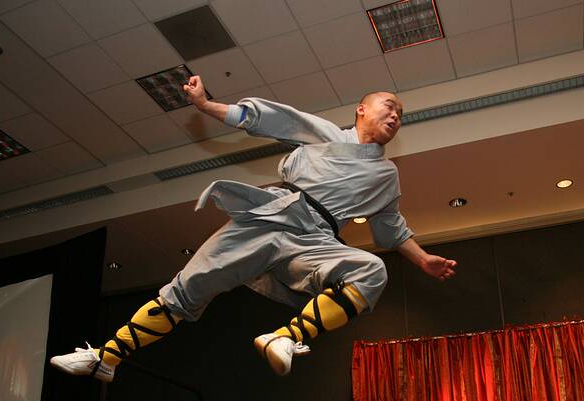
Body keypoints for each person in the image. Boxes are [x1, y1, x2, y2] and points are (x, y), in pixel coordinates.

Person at [50, 75, 456, 381]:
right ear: (361, 110)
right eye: (389, 106)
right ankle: (107, 357)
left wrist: (423, 261)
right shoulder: (325, 134)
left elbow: (392, 229)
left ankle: (286, 337)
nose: (395, 115)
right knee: (188, 287)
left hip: (315, 239)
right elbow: (264, 119)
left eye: (401, 114)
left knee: (372, 271)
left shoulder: (386, 176)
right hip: (272, 215)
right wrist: (206, 105)